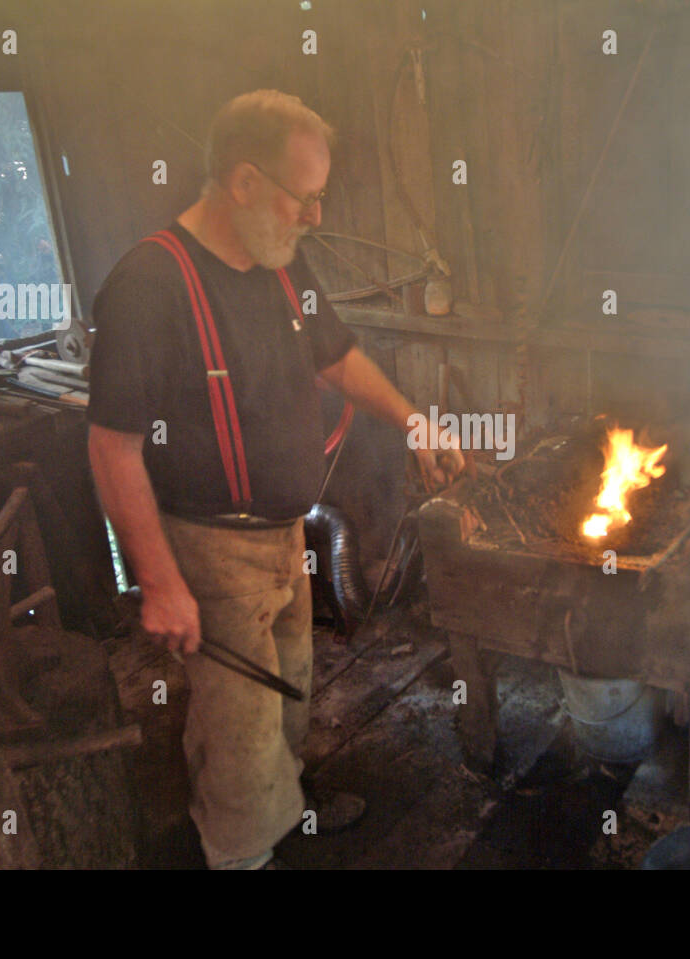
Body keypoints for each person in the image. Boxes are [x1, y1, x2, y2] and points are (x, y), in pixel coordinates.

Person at [86, 90, 463, 870]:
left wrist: (414, 421)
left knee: (289, 688)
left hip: (285, 535)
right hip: (209, 548)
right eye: (307, 197)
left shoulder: (283, 266)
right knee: (237, 726)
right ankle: (241, 852)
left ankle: (284, 807)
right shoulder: (150, 283)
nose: (316, 216)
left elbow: (337, 358)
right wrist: (158, 582)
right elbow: (113, 448)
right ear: (245, 181)